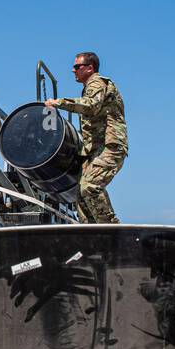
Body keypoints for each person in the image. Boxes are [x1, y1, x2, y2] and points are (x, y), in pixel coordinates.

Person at [44, 51, 128, 223]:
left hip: (109, 146)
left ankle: (111, 229)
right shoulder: (89, 86)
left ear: (90, 68)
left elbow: (91, 106)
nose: (73, 70)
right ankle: (91, 231)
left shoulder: (97, 82)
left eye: (77, 67)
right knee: (81, 197)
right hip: (95, 149)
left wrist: (58, 103)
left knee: (90, 187)